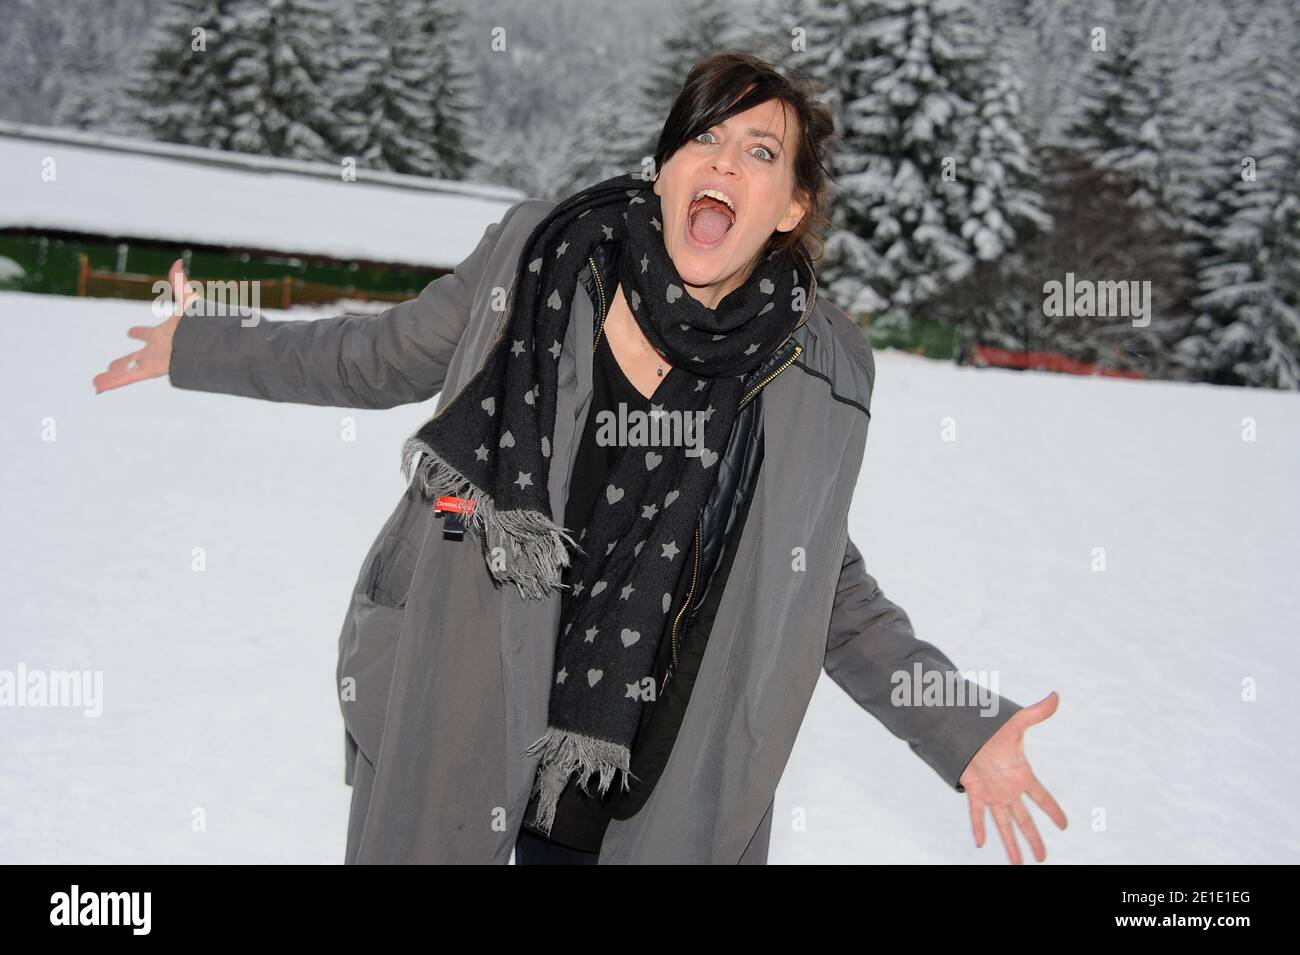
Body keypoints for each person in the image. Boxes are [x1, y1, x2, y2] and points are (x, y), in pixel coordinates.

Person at [92, 51, 1065, 865]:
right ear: (666, 165)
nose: (722, 160)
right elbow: (380, 352)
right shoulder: (539, 263)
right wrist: (201, 344)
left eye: (758, 149)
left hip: (638, 780)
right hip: (456, 704)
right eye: (703, 135)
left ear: (790, 206)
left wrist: (955, 722)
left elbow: (819, 584)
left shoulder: (814, 373)